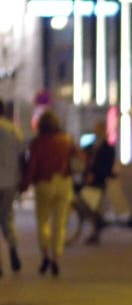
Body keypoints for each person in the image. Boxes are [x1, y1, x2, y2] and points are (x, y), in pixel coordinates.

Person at [20, 110, 80, 277]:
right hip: (63, 182)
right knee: (59, 222)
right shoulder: (66, 141)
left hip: (43, 184)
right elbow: (79, 159)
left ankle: (45, 254)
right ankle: (56, 257)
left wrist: (25, 184)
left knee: (42, 221)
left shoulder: (37, 143)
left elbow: (32, 165)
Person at [79, 121, 116, 244]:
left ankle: (97, 230)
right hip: (93, 181)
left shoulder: (108, 148)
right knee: (90, 205)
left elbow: (105, 166)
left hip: (99, 181)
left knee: (93, 206)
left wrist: (94, 175)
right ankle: (97, 228)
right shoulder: (94, 146)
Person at [0, 101, 24, 276]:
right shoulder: (13, 129)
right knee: (7, 216)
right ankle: (13, 248)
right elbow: (22, 155)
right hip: (9, 181)